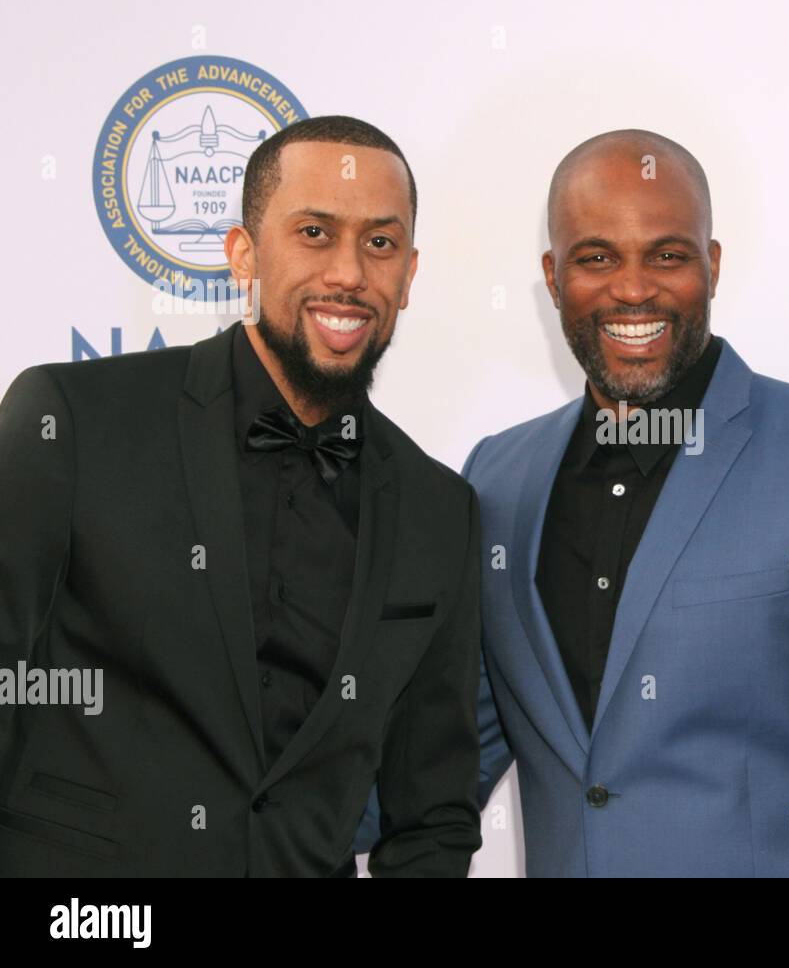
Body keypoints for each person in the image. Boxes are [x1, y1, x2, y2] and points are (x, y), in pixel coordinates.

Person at [356, 128, 789, 876]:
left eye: (667, 255)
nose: (633, 288)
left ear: (711, 266)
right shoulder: (497, 478)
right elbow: (446, 754)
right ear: (553, 277)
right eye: (597, 257)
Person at [0, 115, 481, 876]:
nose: (350, 274)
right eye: (315, 233)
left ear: (410, 274)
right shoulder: (74, 420)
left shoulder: (438, 509)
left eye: (380, 243)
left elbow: (434, 814)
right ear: (243, 255)